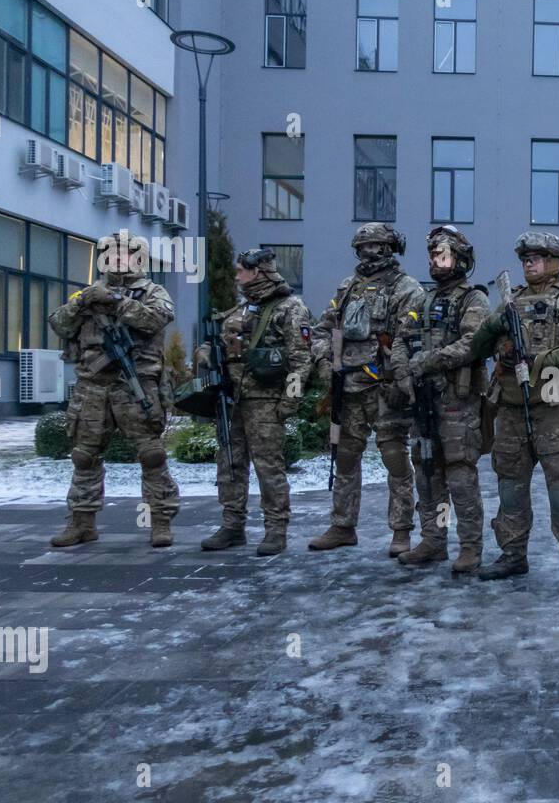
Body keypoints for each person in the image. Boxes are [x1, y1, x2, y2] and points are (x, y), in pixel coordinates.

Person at [468, 231, 559, 593]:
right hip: (510, 408)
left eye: (538, 257)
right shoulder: (511, 301)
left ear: (556, 262)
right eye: (526, 258)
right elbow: (477, 347)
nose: (529, 263)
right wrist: (494, 327)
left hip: (554, 408)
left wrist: (539, 360)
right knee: (510, 486)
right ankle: (512, 555)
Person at [48, 230, 180, 548]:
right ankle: (82, 522)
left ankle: (159, 522)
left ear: (139, 258)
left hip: (136, 385)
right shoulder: (89, 293)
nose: (117, 259)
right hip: (92, 387)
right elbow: (59, 324)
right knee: (84, 456)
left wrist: (118, 303)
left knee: (151, 455)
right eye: (111, 253)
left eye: (125, 253)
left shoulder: (152, 291)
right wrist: (82, 305)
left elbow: (157, 319)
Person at [308, 223, 427, 556]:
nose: (369, 253)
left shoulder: (408, 289)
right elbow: (322, 330)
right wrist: (323, 364)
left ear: (391, 248)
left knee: (394, 458)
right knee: (345, 457)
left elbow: (411, 339)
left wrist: (399, 375)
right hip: (349, 387)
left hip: (385, 388)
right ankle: (342, 526)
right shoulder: (348, 288)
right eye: (364, 247)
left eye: (377, 246)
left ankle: (401, 530)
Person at [388, 226, 491, 574]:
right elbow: (401, 338)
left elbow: (472, 343)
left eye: (443, 254)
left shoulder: (472, 299)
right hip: (423, 402)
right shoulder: (422, 299)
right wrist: (402, 370)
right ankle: (434, 540)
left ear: (461, 259)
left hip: (457, 404)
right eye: (433, 254)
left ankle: (470, 546)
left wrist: (426, 362)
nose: (436, 260)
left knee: (460, 477)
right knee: (429, 475)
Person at [198, 248, 313, 555]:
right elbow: (216, 347)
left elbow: (302, 360)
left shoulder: (290, 308)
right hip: (232, 400)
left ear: (259, 272)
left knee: (268, 468)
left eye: (241, 271)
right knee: (230, 464)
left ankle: (276, 530)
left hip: (266, 402)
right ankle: (232, 525)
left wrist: (288, 403)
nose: (236, 276)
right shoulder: (239, 311)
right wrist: (206, 354)